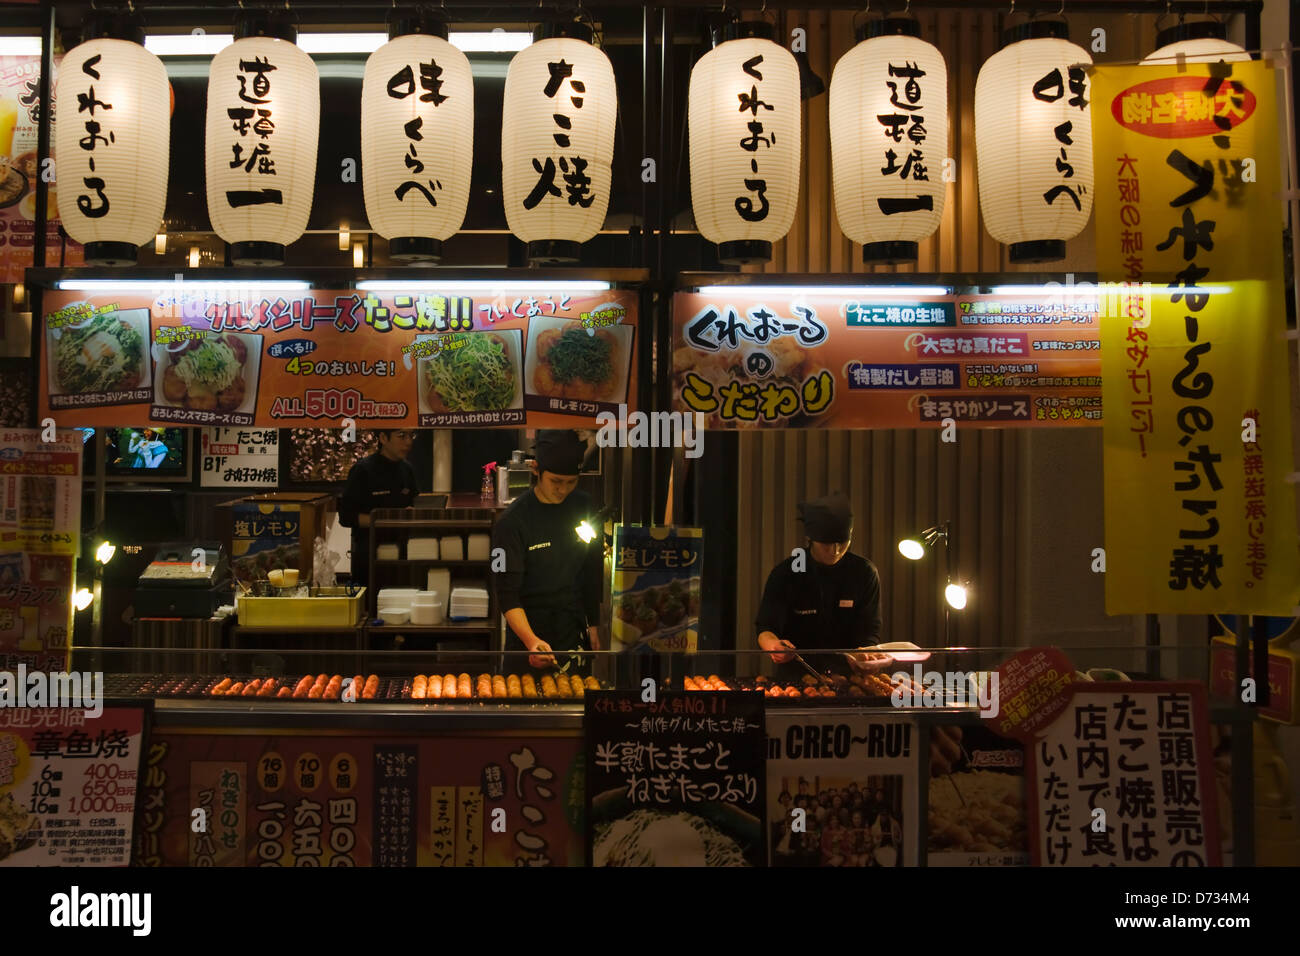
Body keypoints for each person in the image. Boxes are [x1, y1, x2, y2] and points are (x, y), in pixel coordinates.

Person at [491, 430, 602, 676]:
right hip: (527, 630)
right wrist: (531, 641)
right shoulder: (512, 522)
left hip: (571, 627)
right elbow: (506, 593)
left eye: (571, 482)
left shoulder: (584, 506)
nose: (563, 490)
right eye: (556, 482)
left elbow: (591, 570)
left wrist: (593, 623)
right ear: (536, 470)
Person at [756, 492, 885, 679]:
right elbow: (765, 628)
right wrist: (774, 646)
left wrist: (867, 655)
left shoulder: (864, 573)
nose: (835, 550)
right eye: (826, 543)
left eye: (842, 542)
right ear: (811, 538)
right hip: (796, 677)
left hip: (851, 678)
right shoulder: (787, 573)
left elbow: (870, 631)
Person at [338, 429, 420, 589]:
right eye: (402, 436)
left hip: (402, 551)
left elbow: (413, 503)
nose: (408, 441)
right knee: (370, 606)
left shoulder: (407, 469)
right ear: (383, 437)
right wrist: (385, 520)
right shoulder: (363, 470)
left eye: (411, 436)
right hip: (369, 554)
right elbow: (346, 517)